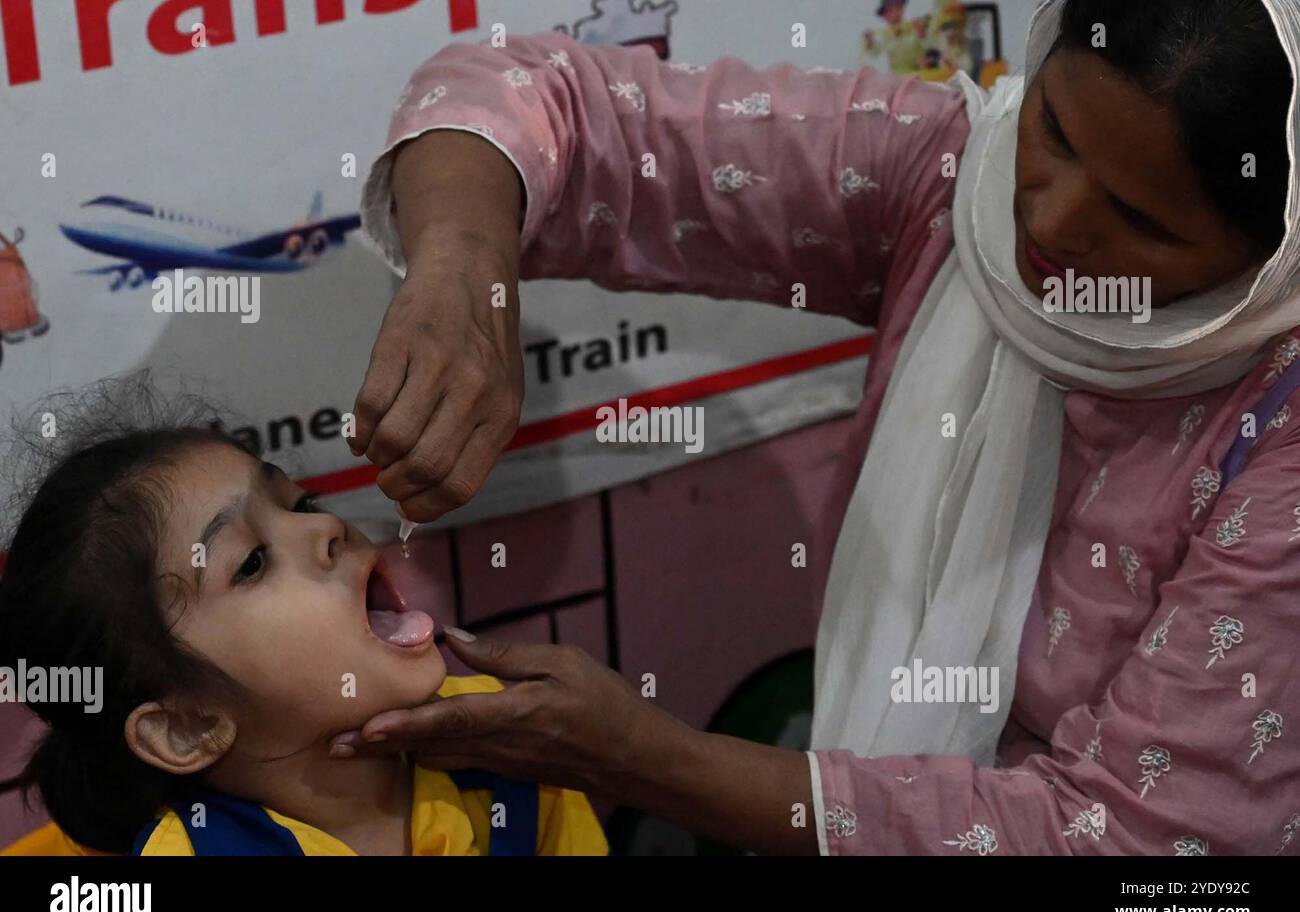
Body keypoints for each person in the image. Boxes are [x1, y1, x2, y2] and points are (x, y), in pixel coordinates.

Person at [338, 0, 1300, 854]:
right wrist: (465, 271)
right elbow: (535, 93)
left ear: (1273, 250)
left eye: (1143, 222)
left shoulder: (1278, 428)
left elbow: (1150, 854)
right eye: (1054, 128)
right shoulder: (953, 177)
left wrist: (652, 764)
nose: (1046, 217)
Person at [0, 377, 606, 856]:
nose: (323, 526)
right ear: (187, 726)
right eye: (254, 562)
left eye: (300, 502)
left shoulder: (514, 744)